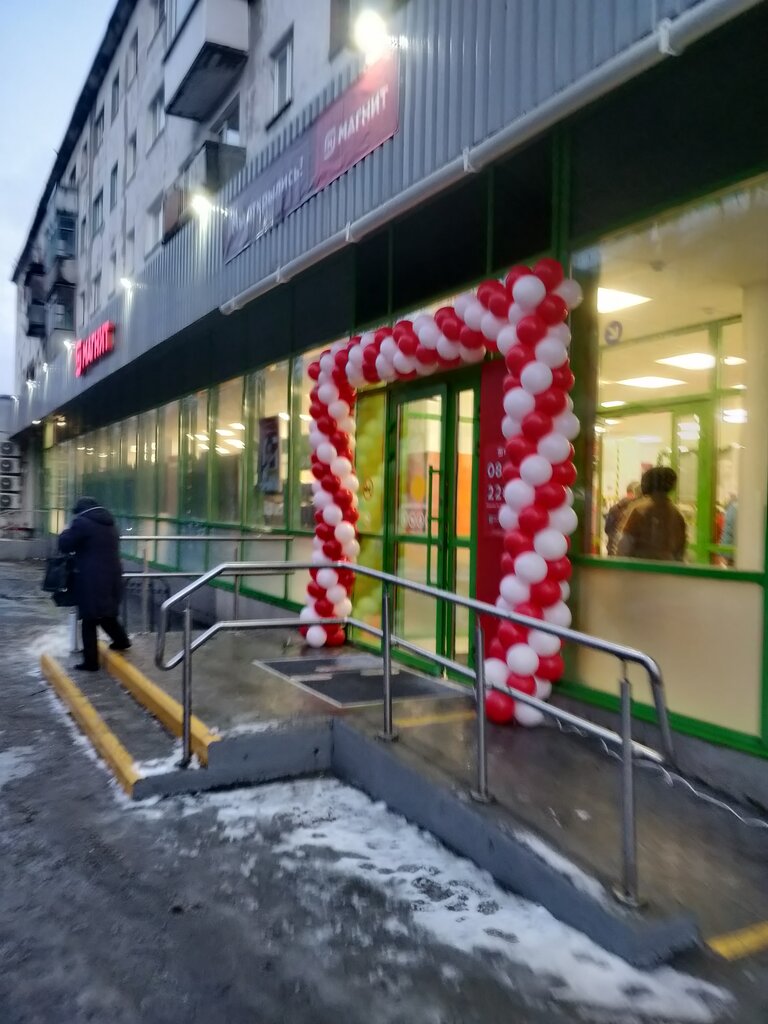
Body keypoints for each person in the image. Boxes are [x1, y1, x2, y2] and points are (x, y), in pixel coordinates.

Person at [59, 496, 130, 671]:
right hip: (112, 575)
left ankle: (91, 662)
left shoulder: (82, 523)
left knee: (89, 619)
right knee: (106, 614)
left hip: (91, 577)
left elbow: (65, 544)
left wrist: (66, 532)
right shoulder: (110, 523)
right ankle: (122, 641)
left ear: (81, 510)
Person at [617, 467, 687, 561]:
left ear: (647, 484)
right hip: (667, 570)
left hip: (641, 569)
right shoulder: (677, 514)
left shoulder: (639, 510)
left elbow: (625, 545)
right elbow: (680, 552)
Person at [605, 481, 640, 556]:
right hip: (630, 554)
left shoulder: (614, 508)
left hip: (613, 552)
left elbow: (607, 529)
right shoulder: (637, 510)